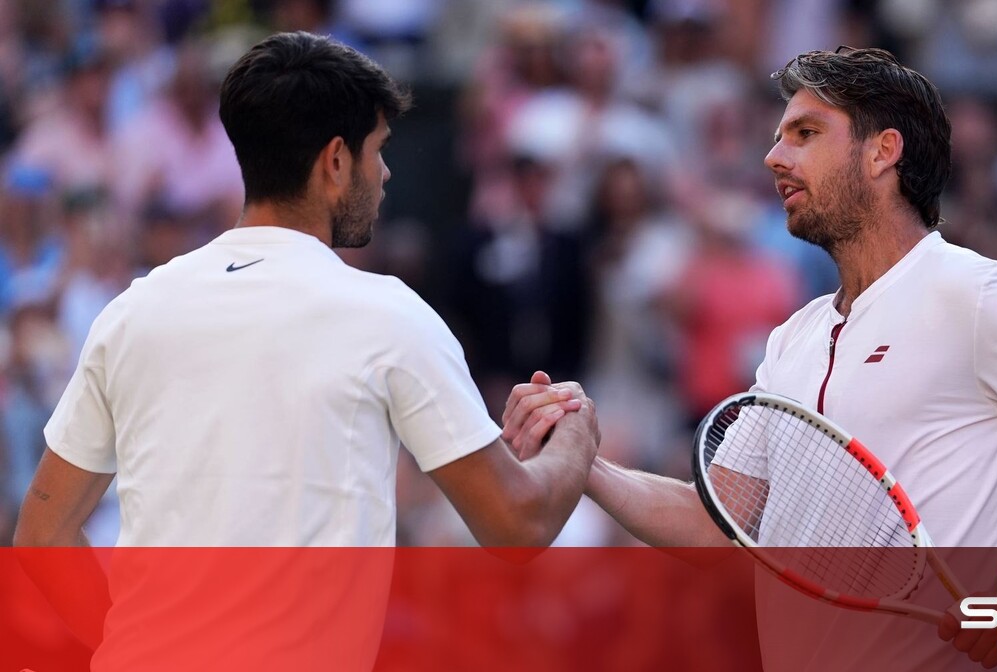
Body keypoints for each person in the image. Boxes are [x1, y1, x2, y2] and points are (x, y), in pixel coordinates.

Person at [505, 47, 997, 670]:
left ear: (884, 152)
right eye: (778, 135)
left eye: (805, 133)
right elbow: (722, 529)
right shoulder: (793, 337)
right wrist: (583, 462)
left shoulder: (977, 293)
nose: (774, 156)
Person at [13, 31, 599, 668]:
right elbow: (517, 525)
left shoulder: (132, 311)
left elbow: (42, 536)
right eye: (378, 151)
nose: (386, 173)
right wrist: (577, 434)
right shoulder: (388, 315)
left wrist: (128, 648)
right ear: (336, 161)